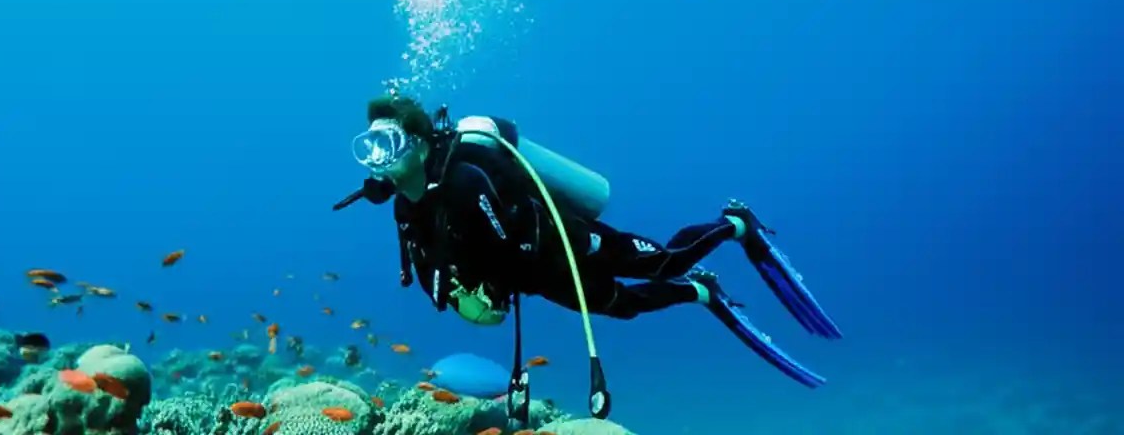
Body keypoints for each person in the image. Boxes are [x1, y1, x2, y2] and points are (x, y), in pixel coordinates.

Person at [335, 94, 842, 392]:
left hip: (568, 244)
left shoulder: (465, 182)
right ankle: (703, 292)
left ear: (419, 144)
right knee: (622, 307)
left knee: (663, 262)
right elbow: (426, 269)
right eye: (369, 146)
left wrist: (487, 289)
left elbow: (506, 246)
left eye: (387, 143)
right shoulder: (406, 206)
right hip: (543, 280)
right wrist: (459, 298)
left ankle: (734, 223)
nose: (376, 157)